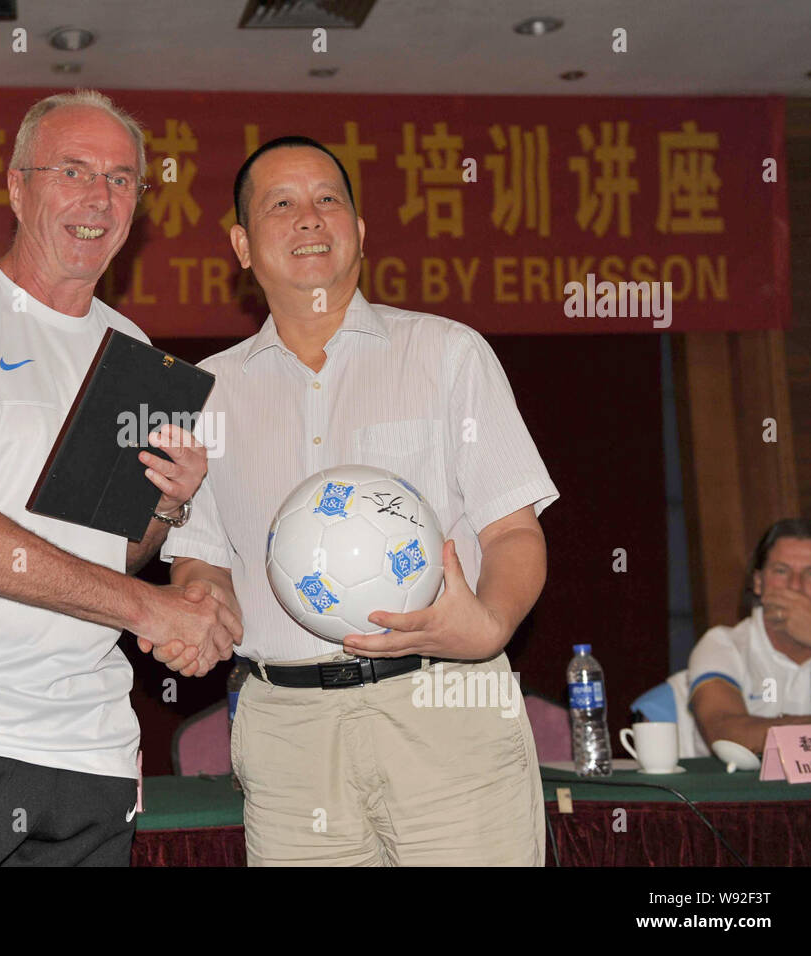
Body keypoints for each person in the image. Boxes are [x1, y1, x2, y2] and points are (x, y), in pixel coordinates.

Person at [0, 90, 241, 867]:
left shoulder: (133, 351)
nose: (99, 197)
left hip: (91, 749)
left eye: (123, 179)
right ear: (17, 186)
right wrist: (150, 610)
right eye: (73, 170)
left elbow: (114, 558)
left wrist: (166, 506)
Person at [156, 136, 558, 866]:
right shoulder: (204, 394)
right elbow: (203, 563)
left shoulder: (447, 354)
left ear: (360, 231)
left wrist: (490, 624)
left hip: (445, 707)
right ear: (242, 245)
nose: (309, 218)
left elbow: (513, 530)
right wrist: (196, 614)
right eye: (282, 204)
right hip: (287, 730)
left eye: (328, 200)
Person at [688, 518, 811, 755]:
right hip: (741, 791)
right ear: (758, 583)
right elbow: (724, 732)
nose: (795, 586)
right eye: (781, 571)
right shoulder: (724, 643)